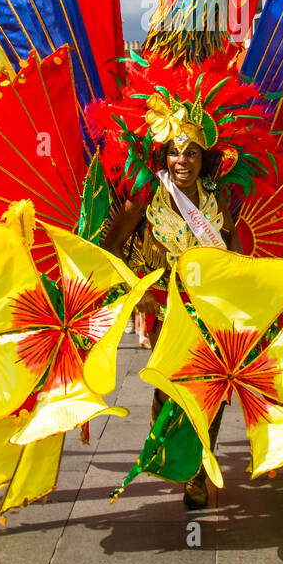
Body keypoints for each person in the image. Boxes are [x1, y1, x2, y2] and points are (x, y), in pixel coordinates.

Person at [104, 129, 242, 508]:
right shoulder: (147, 197)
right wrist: (139, 292)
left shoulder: (214, 196)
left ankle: (197, 472)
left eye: (192, 153)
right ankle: (170, 455)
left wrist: (243, 280)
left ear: (204, 158)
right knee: (172, 388)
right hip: (167, 308)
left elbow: (232, 242)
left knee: (213, 386)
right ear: (164, 157)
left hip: (210, 307)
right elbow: (112, 247)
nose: (183, 161)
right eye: (175, 153)